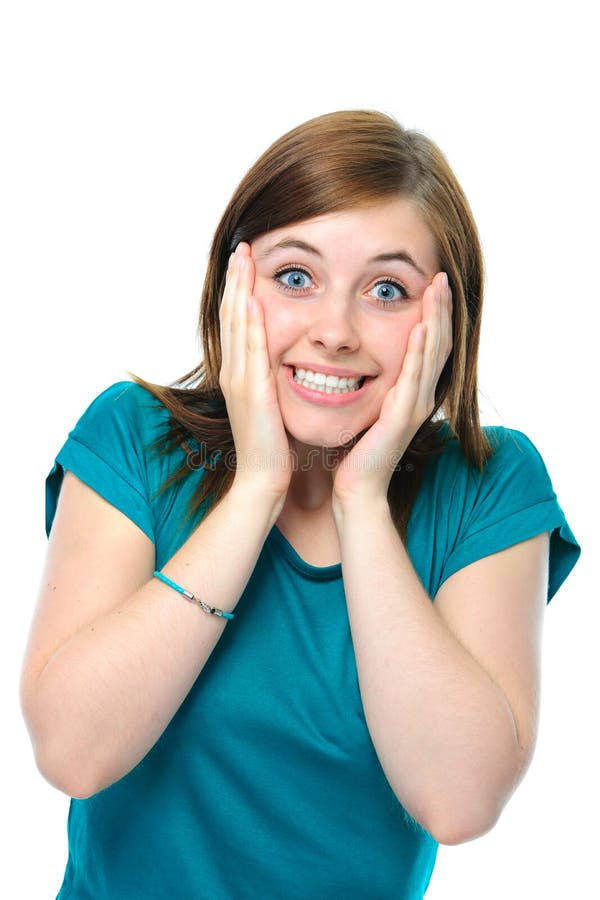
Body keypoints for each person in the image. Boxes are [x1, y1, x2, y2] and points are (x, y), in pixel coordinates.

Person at [21, 110, 579, 899]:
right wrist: (258, 486)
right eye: (295, 277)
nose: (335, 330)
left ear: (445, 322)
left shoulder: (490, 484)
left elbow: (458, 800)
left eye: (387, 290)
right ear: (232, 284)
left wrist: (362, 497)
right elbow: (73, 754)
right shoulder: (135, 438)